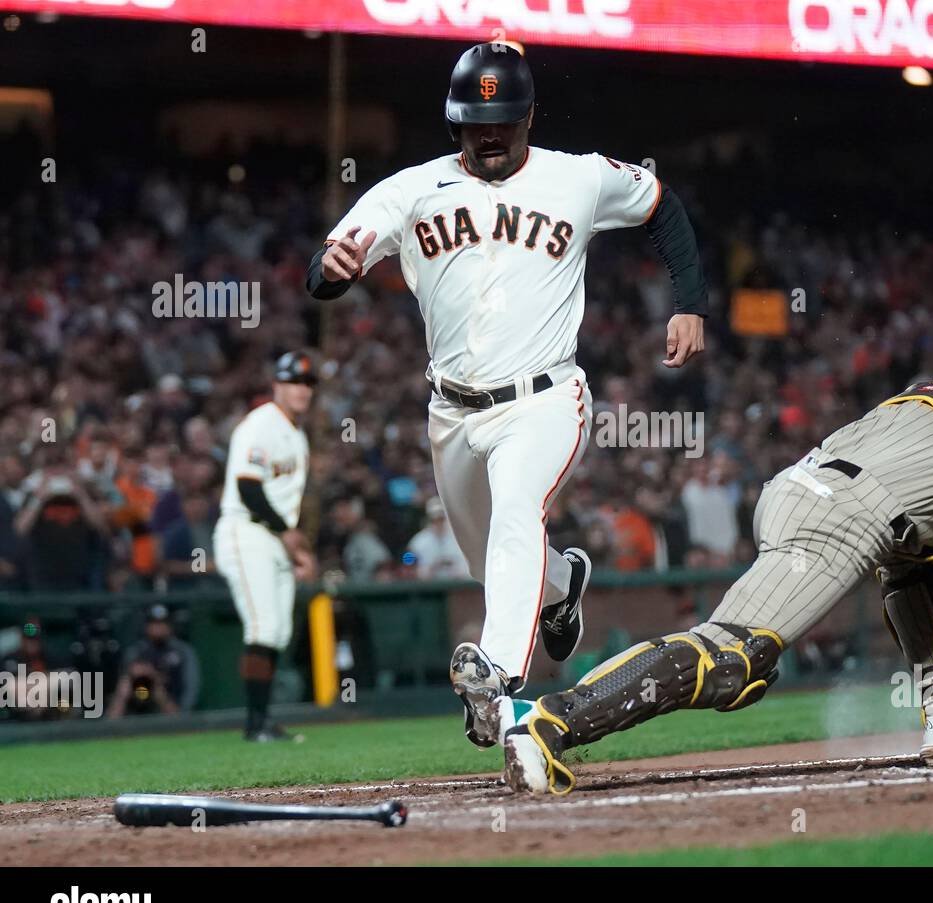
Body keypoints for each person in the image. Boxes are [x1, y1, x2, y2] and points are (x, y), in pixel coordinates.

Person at [493, 312, 933, 793]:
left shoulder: (932, 393)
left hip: (810, 487)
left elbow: (923, 539)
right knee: (735, 658)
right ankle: (549, 720)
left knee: (909, 561)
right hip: (846, 515)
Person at [306, 42, 708, 749]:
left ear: (527, 118)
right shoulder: (409, 190)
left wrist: (690, 302)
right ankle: (562, 582)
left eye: (502, 121)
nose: (488, 135)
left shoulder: (576, 179)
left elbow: (662, 205)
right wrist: (333, 270)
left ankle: (496, 676)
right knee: (488, 557)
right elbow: (326, 269)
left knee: (519, 509)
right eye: (474, 123)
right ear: (454, 122)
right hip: (452, 412)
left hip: (546, 398)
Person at [213, 351, 317, 742]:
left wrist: (296, 546)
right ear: (276, 384)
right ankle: (254, 725)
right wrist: (286, 534)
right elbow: (247, 486)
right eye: (293, 382)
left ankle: (262, 722)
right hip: (246, 531)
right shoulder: (259, 425)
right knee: (263, 626)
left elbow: (283, 501)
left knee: (278, 632)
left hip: (273, 536)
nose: (301, 389)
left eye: (307, 383)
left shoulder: (296, 433)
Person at [108, 604, 200, 717]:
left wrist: (155, 678)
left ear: (170, 625)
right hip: (141, 701)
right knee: (126, 684)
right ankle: (111, 728)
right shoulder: (136, 652)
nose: (158, 627)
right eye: (154, 623)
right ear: (146, 626)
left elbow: (191, 690)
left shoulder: (183, 652)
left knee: (156, 688)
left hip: (171, 705)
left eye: (162, 623)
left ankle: (176, 722)